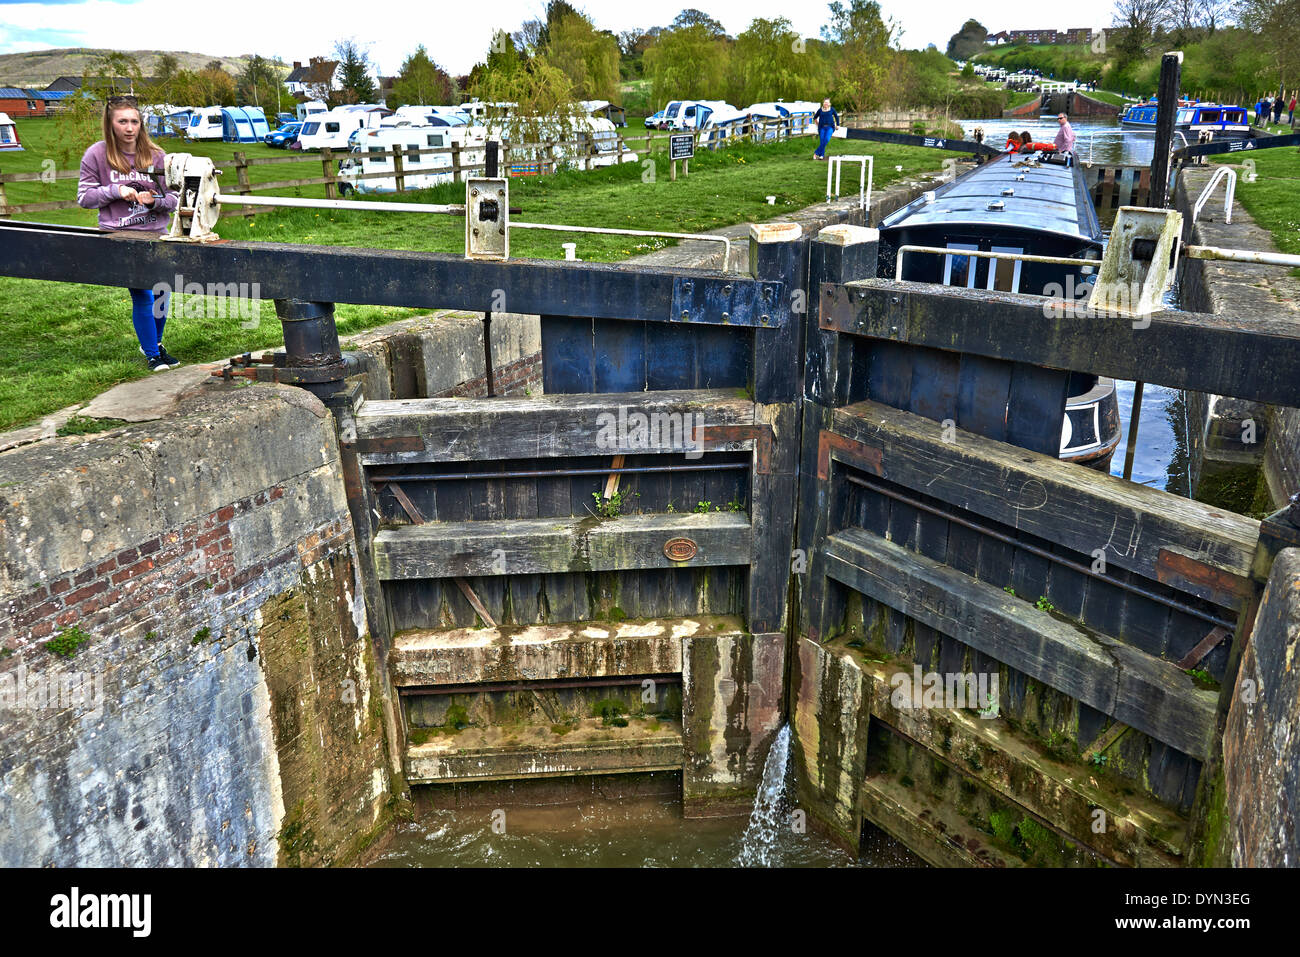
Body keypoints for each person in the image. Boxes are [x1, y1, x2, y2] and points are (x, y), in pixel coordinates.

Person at [77, 95, 180, 372]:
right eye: (122, 121)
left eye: (134, 121)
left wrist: (154, 201)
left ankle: (155, 345)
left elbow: (175, 199)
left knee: (162, 293)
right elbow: (84, 198)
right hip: (120, 237)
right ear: (110, 124)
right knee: (143, 294)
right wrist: (116, 191)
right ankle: (151, 354)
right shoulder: (96, 155)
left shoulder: (157, 155)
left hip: (156, 234)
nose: (129, 128)